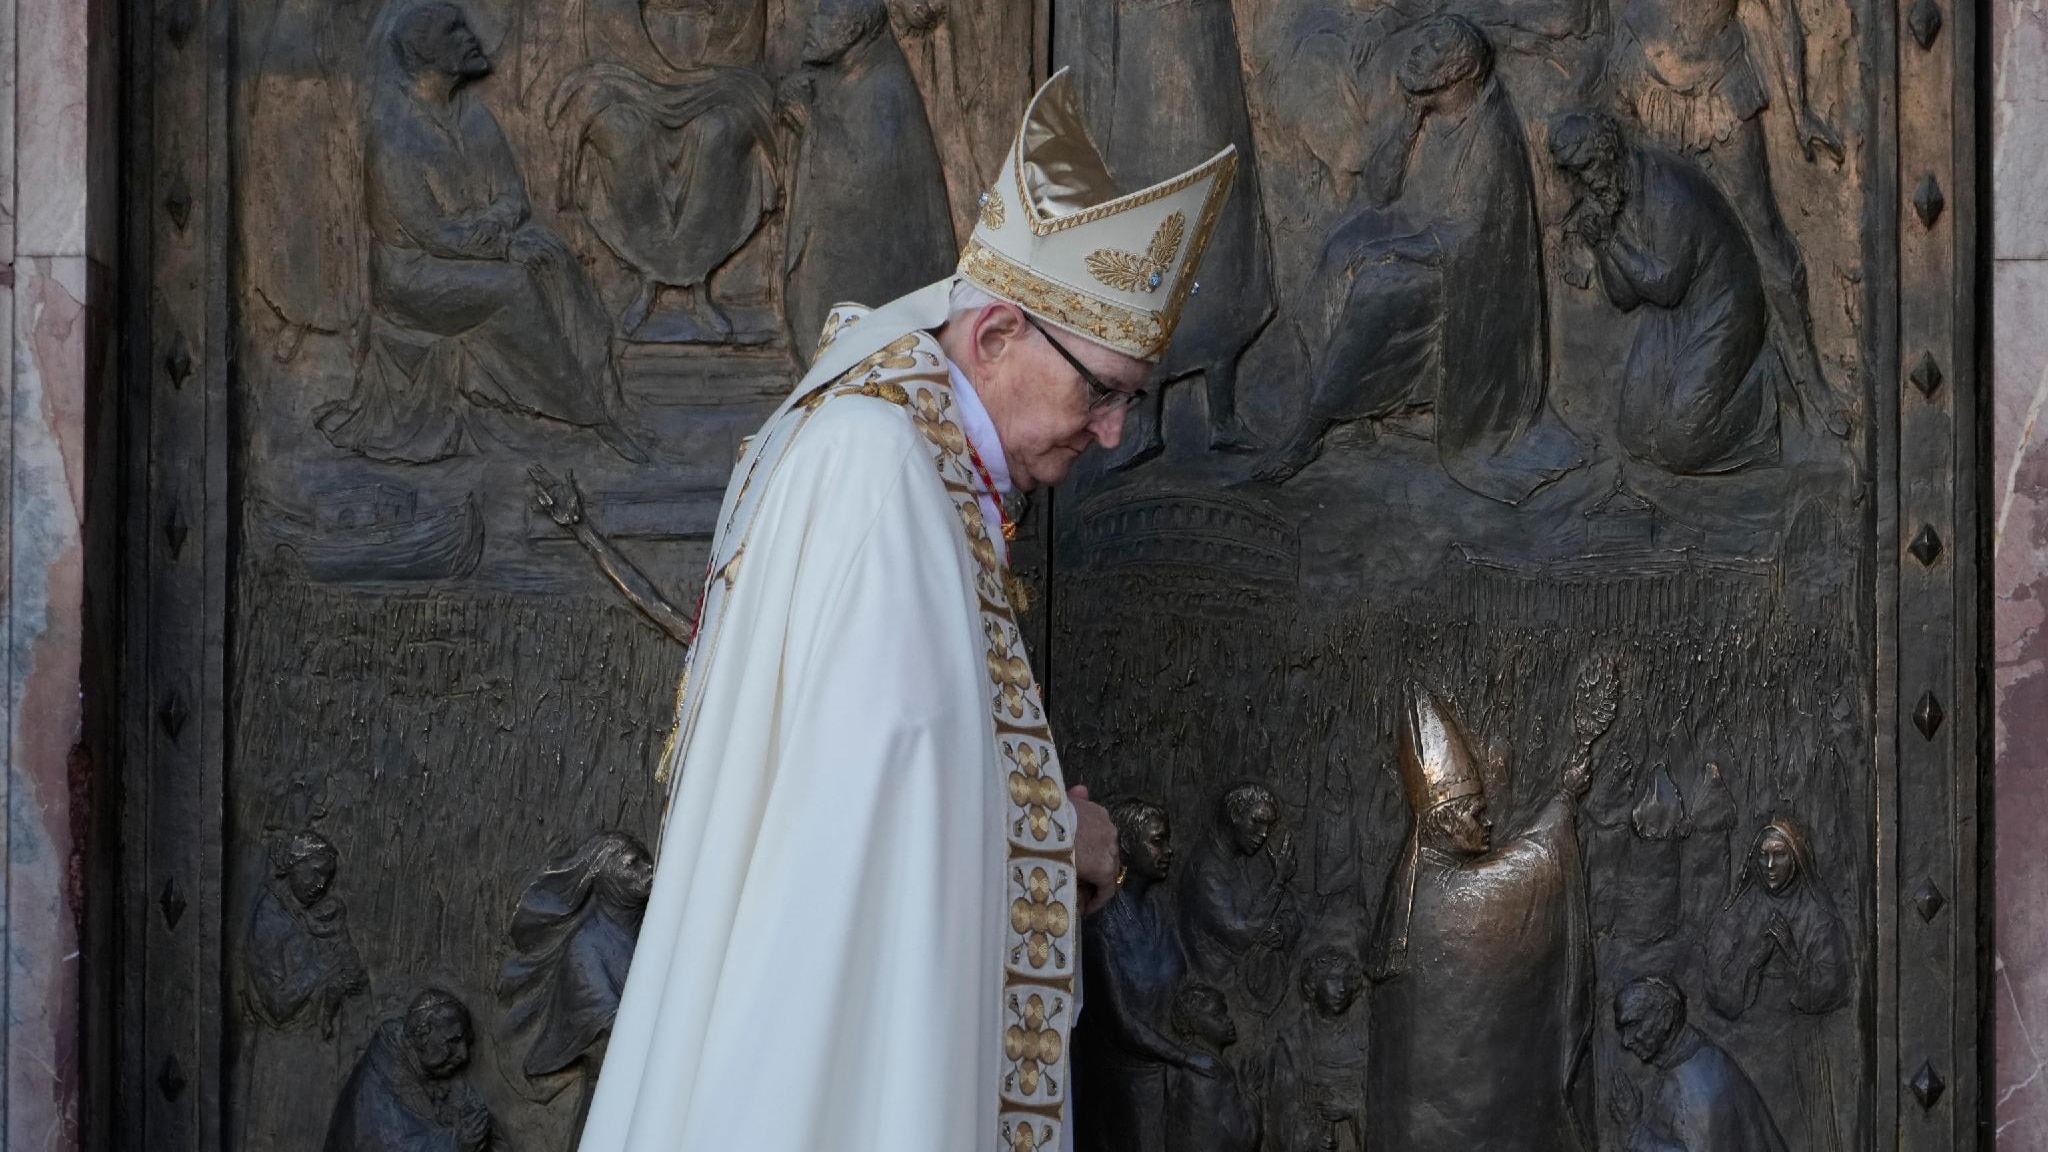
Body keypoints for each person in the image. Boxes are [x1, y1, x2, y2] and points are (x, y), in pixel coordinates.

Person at [576, 69, 1243, 1152]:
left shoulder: (908, 458)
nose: (1114, 433)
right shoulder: (879, 466)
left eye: (1131, 397)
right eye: (1101, 390)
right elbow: (866, 815)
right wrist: (1063, 837)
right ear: (991, 337)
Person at [1255, 16, 1576, 503]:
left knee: (1377, 290)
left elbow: (1470, 236)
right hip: (1422, 237)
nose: (1415, 54)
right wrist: (1409, 120)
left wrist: (1392, 250)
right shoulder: (1431, 111)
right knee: (1337, 250)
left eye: (1430, 49)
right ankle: (1349, 410)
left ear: (1457, 72)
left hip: (1470, 283)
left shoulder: (1490, 131)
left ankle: (1309, 431)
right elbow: (1382, 192)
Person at [321, 1, 644, 465]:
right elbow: (431, 233)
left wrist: (503, 232)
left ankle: (603, 395)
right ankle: (583, 413)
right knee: (515, 284)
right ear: (425, 54)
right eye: (455, 32)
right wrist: (502, 243)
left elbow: (512, 197)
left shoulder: (474, 118)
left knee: (553, 256)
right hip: (413, 277)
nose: (470, 37)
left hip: (474, 249)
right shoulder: (393, 135)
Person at [1366, 676, 1615, 1152]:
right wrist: (1563, 799)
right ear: (1444, 820)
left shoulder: (1411, 886)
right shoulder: (1445, 897)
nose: (1489, 823)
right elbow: (1521, 876)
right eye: (1476, 814)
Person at [1607, 0, 1847, 430]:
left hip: (1719, 86)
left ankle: (1809, 382)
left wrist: (1799, 111)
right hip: (1645, 73)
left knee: (1765, 235)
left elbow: (1778, 13)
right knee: (1663, 233)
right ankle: (1682, 383)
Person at [1550, 112, 1781, 475]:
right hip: (1672, 313)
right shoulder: (1615, 192)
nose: (1587, 181)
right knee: (1634, 438)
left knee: (1681, 443)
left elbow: (1666, 287)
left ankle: (1766, 401)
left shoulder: (1668, 193)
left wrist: (1610, 242)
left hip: (1723, 309)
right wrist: (1602, 247)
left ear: (1609, 151)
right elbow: (1624, 298)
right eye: (1578, 173)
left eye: (1589, 166)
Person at [1074, 800, 1215, 1152]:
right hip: (1120, 1083)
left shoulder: (1157, 914)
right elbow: (1120, 1023)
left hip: (1162, 1075)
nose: (1168, 851)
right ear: (1125, 845)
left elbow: (1181, 981)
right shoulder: (1101, 924)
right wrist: (1184, 1057)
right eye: (1157, 841)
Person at [498, 831, 655, 1130]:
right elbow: (603, 1027)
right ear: (605, 879)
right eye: (632, 864)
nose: (648, 870)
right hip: (616, 1098)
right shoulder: (585, 948)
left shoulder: (652, 933)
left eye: (646, 860)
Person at [1614, 976, 1790, 1152]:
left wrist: (1636, 1134)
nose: (1626, 1041)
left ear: (1666, 1016)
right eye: (1622, 1030)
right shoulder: (1686, 1061)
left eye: (1633, 1024)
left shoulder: (1700, 1081)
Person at [324, 988, 499, 1152]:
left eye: (465, 1042)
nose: (463, 1054)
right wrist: (457, 1142)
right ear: (423, 1036)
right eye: (453, 1041)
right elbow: (384, 1146)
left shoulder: (430, 1068)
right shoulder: (378, 1079)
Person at [1179, 782, 1301, 1016]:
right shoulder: (1207, 870)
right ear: (1235, 815)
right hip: (1220, 990)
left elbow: (1284, 911)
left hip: (1251, 982)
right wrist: (1279, 882)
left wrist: (1278, 931)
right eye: (1257, 822)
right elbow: (1240, 936)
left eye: (1268, 826)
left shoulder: (1244, 860)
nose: (1264, 833)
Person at [245, 830, 367, 1038]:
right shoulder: (270, 919)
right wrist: (320, 968)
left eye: (327, 879)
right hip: (287, 1045)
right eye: (316, 873)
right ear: (295, 865)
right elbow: (277, 1005)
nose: (321, 885)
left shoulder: (307, 911)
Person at [1264, 947, 1368, 1152]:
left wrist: (1352, 1108)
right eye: (1333, 979)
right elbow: (1282, 1111)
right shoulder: (1293, 1043)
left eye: (1346, 980)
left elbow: (1383, 1101)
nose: (1341, 988)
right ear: (1312, 985)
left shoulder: (1361, 1038)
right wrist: (1308, 1139)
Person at [1163, 983, 1261, 1152]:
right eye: (1217, 1015)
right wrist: (1249, 1092)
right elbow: (1245, 1139)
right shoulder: (1212, 1073)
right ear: (1194, 1025)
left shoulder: (1180, 1064)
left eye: (1224, 1012)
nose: (1228, 1019)